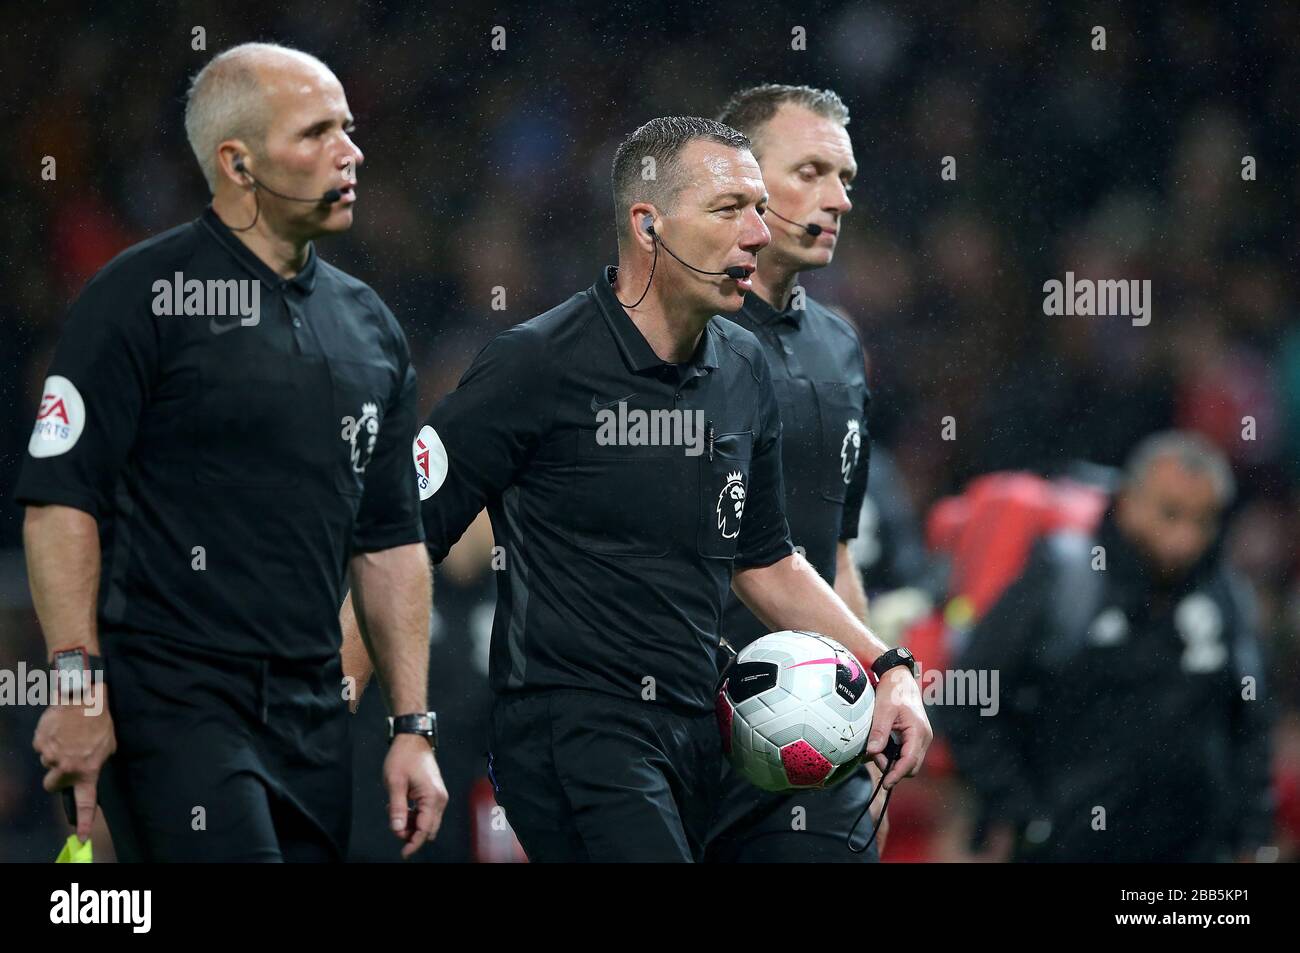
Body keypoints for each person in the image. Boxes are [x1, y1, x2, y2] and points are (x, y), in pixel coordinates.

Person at [345, 116, 931, 862]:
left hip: (697, 732)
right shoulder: (535, 365)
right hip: (574, 732)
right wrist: (340, 713)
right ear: (648, 224)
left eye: (759, 208)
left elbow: (767, 562)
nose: (759, 232)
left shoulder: (745, 368)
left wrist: (889, 667)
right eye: (730, 210)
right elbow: (399, 540)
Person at [19, 42, 445, 862]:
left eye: (349, 129)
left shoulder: (370, 328)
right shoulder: (136, 299)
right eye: (317, 133)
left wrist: (412, 726)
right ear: (238, 163)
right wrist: (75, 685)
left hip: (315, 718)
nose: (350, 153)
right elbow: (60, 500)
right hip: (172, 702)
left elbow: (391, 541)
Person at [705, 84, 889, 863]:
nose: (837, 198)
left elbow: (834, 550)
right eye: (811, 171)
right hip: (670, 732)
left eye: (844, 178)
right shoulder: (671, 333)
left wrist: (873, 694)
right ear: (739, 181)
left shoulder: (840, 349)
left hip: (808, 741)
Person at [943, 431, 1275, 862]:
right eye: (1169, 513)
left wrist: (1251, 835)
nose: (1185, 539)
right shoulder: (1067, 576)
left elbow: (1250, 725)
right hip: (1068, 850)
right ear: (1127, 500)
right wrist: (1019, 811)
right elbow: (964, 693)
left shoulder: (1226, 597)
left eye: (1203, 520)